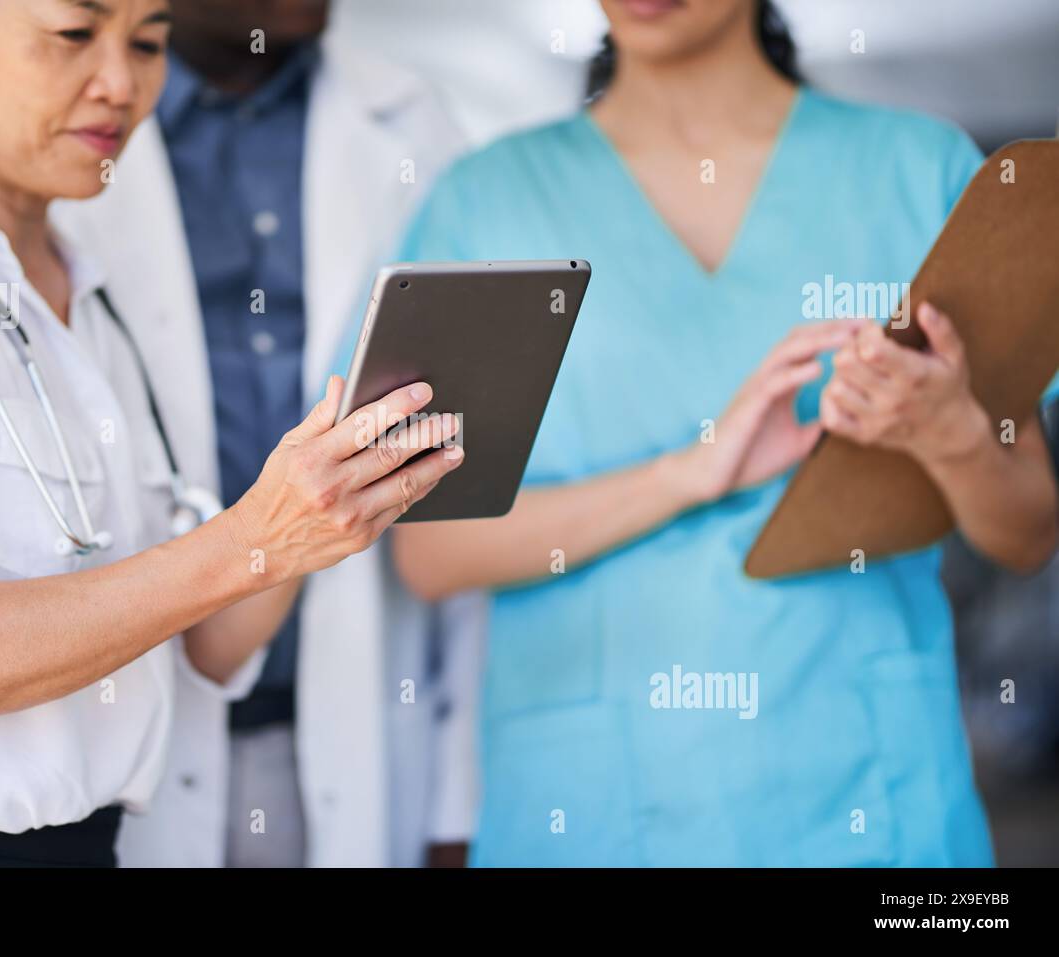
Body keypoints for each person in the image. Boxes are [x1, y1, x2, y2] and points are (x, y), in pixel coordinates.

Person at [0, 0, 462, 867]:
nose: (122, 85)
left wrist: (332, 501)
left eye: (149, 43)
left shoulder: (83, 294)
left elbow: (206, 643)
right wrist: (253, 537)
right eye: (72, 35)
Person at [383, 0, 1059, 865]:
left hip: (871, 802)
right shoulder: (487, 201)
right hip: (592, 810)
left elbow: (1029, 531)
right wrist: (690, 473)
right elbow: (431, 554)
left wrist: (953, 434)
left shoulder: (916, 169)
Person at [53, 0, 486, 868]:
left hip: (356, 705)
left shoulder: (414, 124)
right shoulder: (67, 139)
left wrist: (455, 798)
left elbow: (456, 469)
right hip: (120, 732)